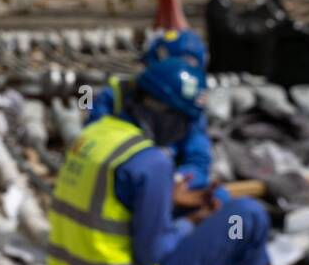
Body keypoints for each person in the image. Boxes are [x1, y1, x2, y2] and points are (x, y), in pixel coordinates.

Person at [51, 56, 309, 265]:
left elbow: (109, 199)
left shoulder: (92, 137)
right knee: (246, 215)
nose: (187, 130)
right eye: (186, 122)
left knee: (218, 205)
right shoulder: (150, 162)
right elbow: (153, 252)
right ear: (168, 114)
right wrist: (192, 221)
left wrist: (169, 196)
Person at [87, 27, 222, 219]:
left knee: (221, 202)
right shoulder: (115, 97)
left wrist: (177, 182)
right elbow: (94, 152)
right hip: (120, 186)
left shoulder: (188, 106)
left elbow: (198, 159)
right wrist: (156, 187)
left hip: (169, 186)